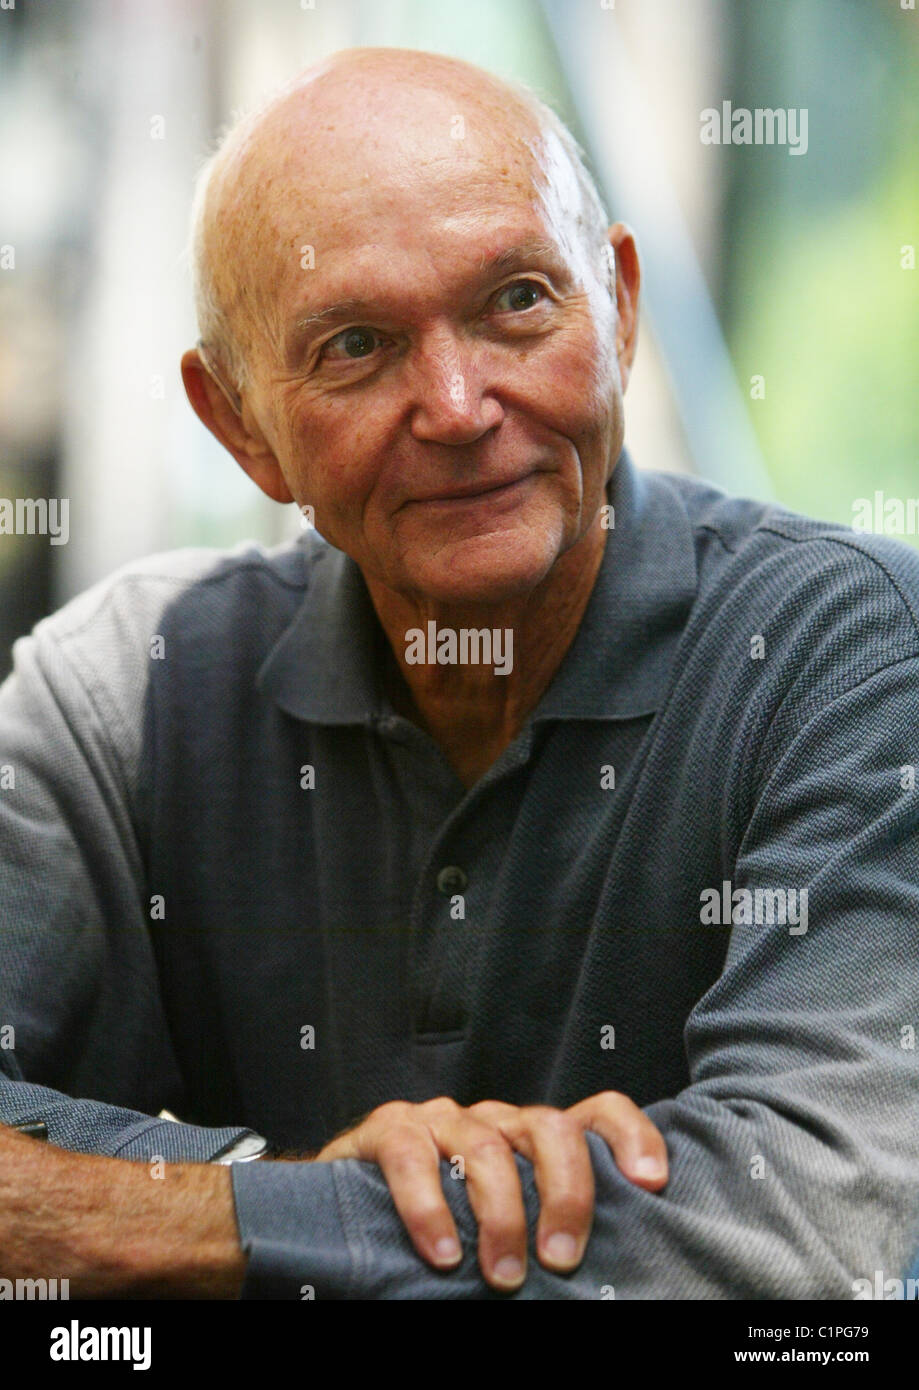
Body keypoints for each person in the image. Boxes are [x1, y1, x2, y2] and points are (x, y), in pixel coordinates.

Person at [1, 46, 918, 1301]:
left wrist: (217, 1223)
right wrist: (281, 1187)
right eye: (358, 343)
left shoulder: (843, 651)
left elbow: (806, 1227)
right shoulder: (122, 692)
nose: (456, 404)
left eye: (517, 301)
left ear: (622, 308)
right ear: (239, 429)